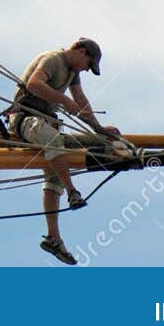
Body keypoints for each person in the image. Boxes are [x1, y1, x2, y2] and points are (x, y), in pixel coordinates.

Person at [9, 37, 121, 265]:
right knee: (54, 141)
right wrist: (63, 100)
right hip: (24, 120)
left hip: (45, 123)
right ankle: (72, 192)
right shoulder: (54, 59)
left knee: (57, 171)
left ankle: (54, 238)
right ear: (81, 51)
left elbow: (80, 100)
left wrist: (98, 129)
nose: (87, 70)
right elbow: (34, 84)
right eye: (88, 65)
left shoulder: (72, 72)